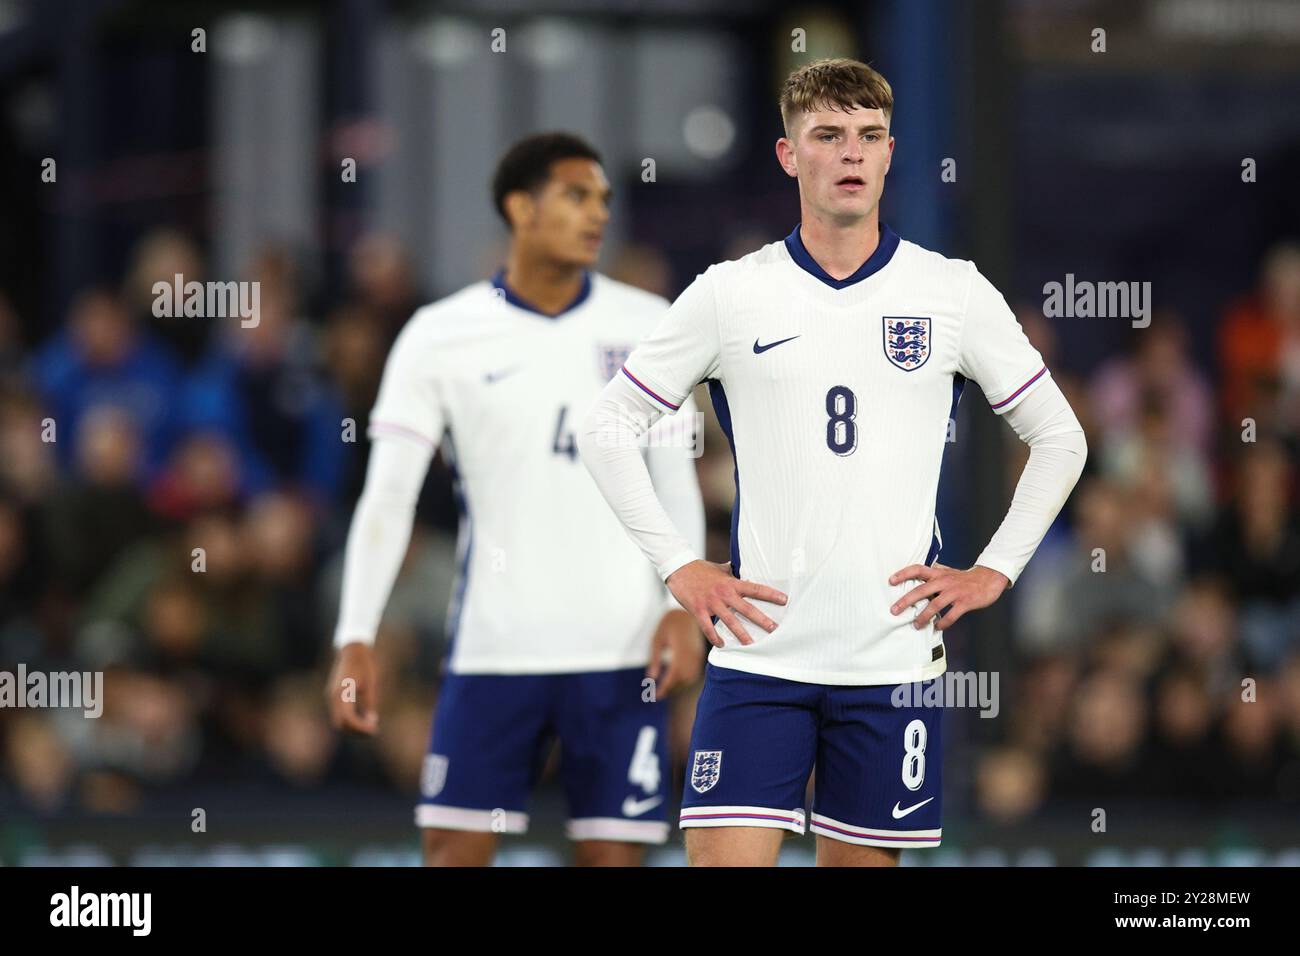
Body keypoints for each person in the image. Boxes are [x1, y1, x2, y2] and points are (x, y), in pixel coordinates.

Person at [579, 58, 1087, 866]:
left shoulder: (952, 292)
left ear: (890, 153)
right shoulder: (729, 292)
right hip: (760, 659)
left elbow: (1061, 437)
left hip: (890, 662)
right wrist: (678, 566)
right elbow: (609, 424)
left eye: (869, 136)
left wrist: (994, 570)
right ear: (789, 156)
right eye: (828, 136)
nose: (851, 154)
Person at [326, 133, 706, 866]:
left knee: (614, 861)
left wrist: (676, 608)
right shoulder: (440, 335)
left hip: (621, 651)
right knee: (452, 851)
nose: (597, 213)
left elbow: (674, 481)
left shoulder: (651, 321)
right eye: (575, 195)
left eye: (603, 199)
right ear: (520, 208)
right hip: (494, 647)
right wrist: (355, 633)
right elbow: (388, 495)